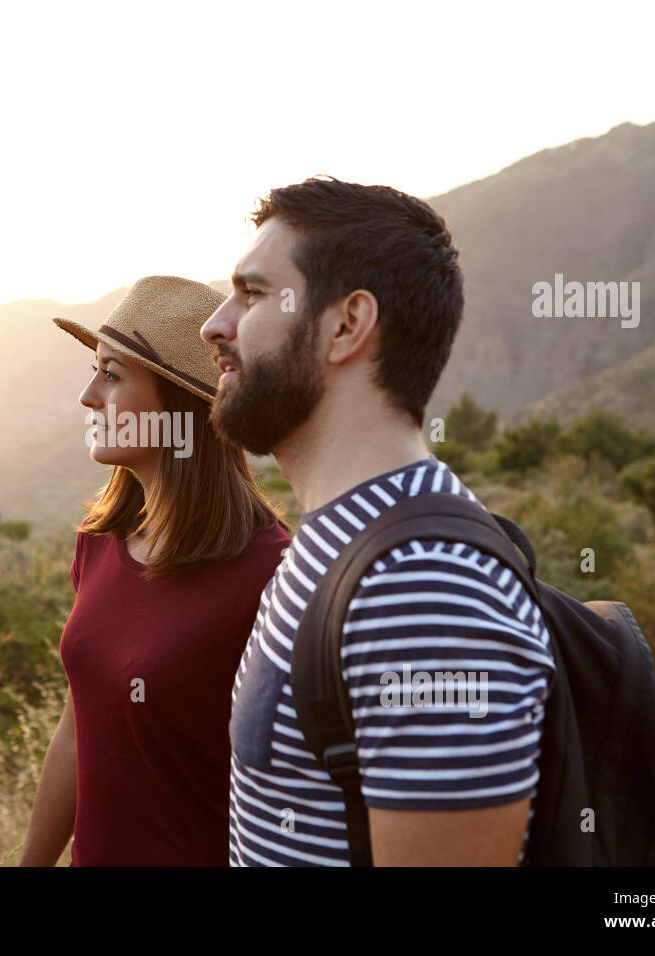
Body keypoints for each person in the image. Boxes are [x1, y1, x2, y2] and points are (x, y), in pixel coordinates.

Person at [199, 177, 557, 866]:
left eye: (250, 294)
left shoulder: (425, 586)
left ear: (345, 326)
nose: (216, 324)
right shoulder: (345, 543)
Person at [19, 275, 291, 866]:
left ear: (178, 406)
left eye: (111, 375)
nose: (89, 396)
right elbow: (75, 733)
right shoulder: (99, 545)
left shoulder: (272, 574)